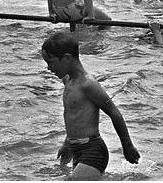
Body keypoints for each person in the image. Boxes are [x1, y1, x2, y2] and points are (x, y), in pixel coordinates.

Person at [40, 31, 140, 179]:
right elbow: (75, 118)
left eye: (51, 62)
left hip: (93, 151)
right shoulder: (68, 81)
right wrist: (67, 144)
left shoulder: (88, 84)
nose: (49, 68)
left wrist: (128, 146)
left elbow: (114, 113)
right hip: (77, 149)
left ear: (67, 58)